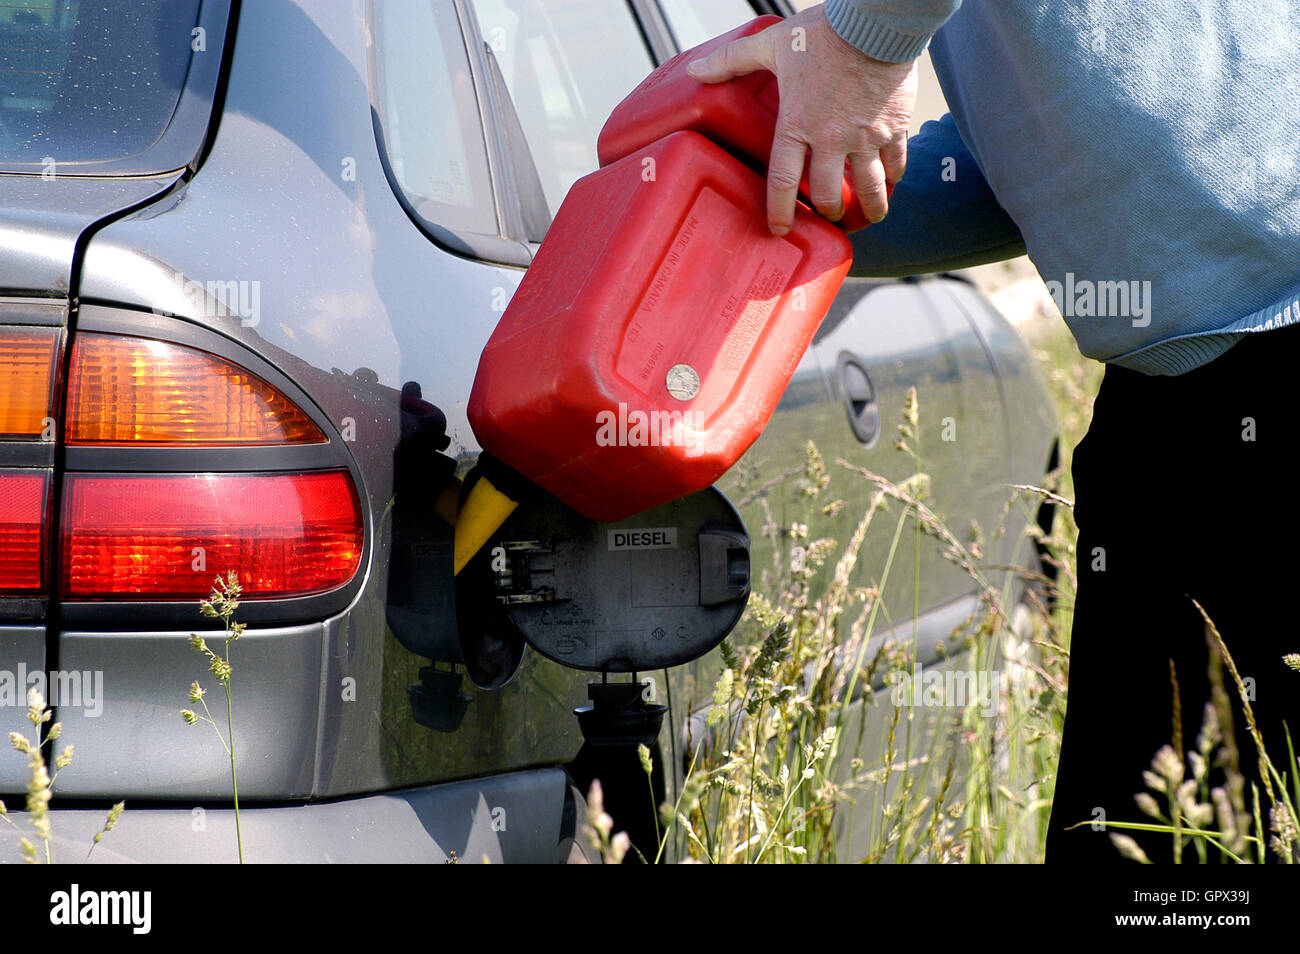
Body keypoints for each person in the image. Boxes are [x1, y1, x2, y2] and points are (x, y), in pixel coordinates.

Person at [688, 0, 1300, 864]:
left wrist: (862, 45)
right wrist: (788, 203)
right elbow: (1029, 167)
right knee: (1142, 850)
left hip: (1273, 340)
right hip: (1176, 406)